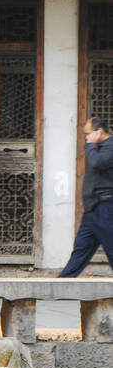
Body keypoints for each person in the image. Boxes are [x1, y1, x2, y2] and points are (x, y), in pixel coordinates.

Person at [59, 116, 113, 276]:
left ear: (99, 131)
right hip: (93, 208)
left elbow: (97, 162)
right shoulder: (99, 147)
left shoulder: (110, 146)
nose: (86, 138)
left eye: (88, 134)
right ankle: (62, 284)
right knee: (81, 249)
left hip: (105, 207)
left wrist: (90, 145)